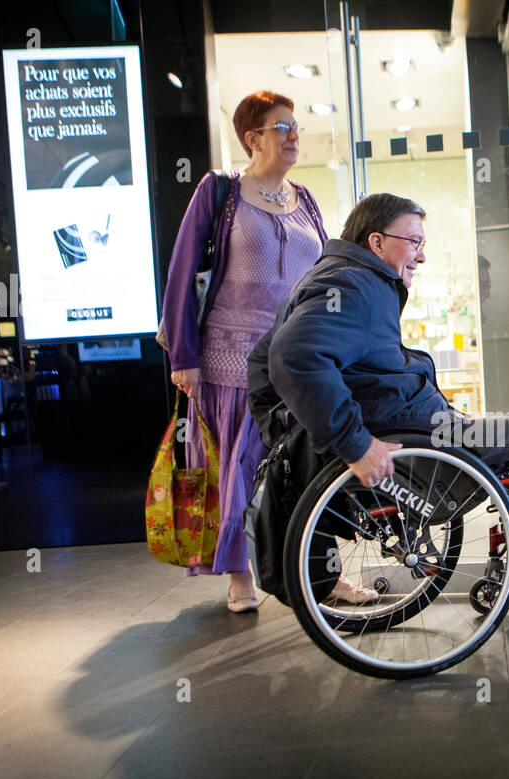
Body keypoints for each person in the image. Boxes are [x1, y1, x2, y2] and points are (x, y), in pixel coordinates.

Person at [246, 193, 509, 616]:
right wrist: (353, 444)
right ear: (376, 241)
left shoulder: (326, 277)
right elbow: (292, 358)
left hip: (413, 429)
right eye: (414, 243)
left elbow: (261, 365)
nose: (421, 257)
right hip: (422, 441)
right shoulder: (353, 287)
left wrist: (285, 433)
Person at [158, 90, 331, 611]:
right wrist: (182, 356)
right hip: (229, 359)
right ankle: (239, 574)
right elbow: (182, 274)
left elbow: (321, 276)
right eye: (282, 127)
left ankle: (319, 569)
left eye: (296, 125)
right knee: (235, 468)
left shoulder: (307, 200)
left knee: (304, 465)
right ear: (252, 138)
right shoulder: (221, 191)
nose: (294, 134)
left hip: (296, 357)